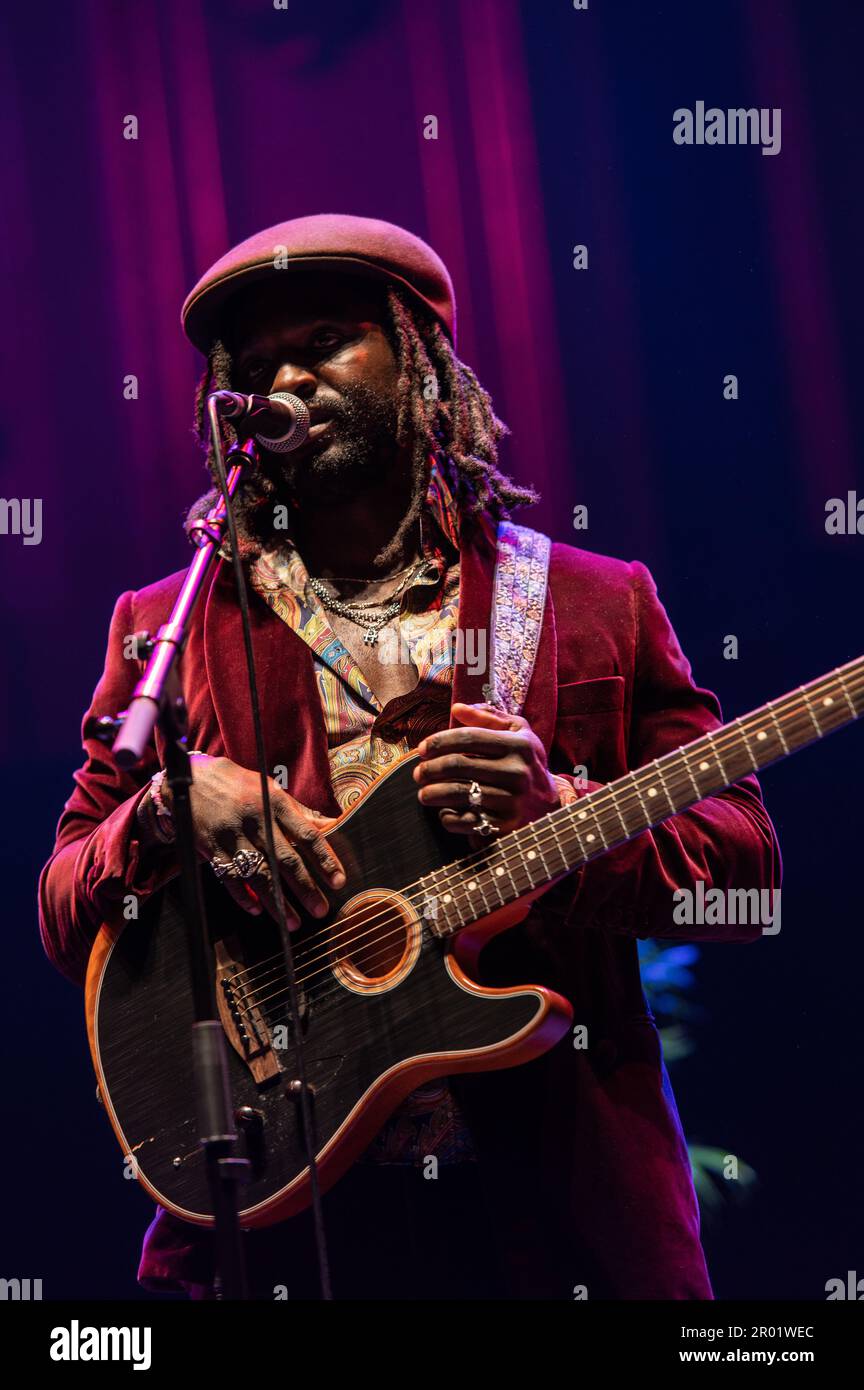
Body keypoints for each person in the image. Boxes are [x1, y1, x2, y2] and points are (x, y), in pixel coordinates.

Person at [38, 213, 781, 1300]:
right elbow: (65, 908)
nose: (286, 376)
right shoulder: (166, 627)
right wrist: (161, 814)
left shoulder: (591, 601)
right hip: (288, 1220)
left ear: (423, 367)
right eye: (253, 368)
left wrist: (562, 818)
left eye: (327, 340)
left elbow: (747, 871)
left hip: (564, 1217)